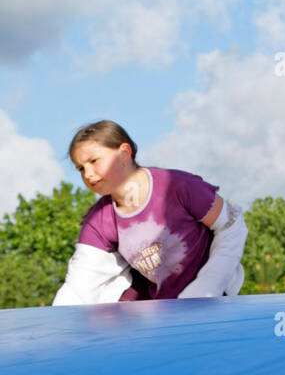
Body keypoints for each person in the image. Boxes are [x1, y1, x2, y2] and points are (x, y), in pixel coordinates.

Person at [52, 119, 247, 304]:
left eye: (94, 161)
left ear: (124, 154)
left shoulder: (179, 186)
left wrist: (207, 286)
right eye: (80, 168)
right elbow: (78, 286)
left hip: (213, 297)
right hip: (164, 310)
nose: (88, 174)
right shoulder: (99, 221)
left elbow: (232, 226)